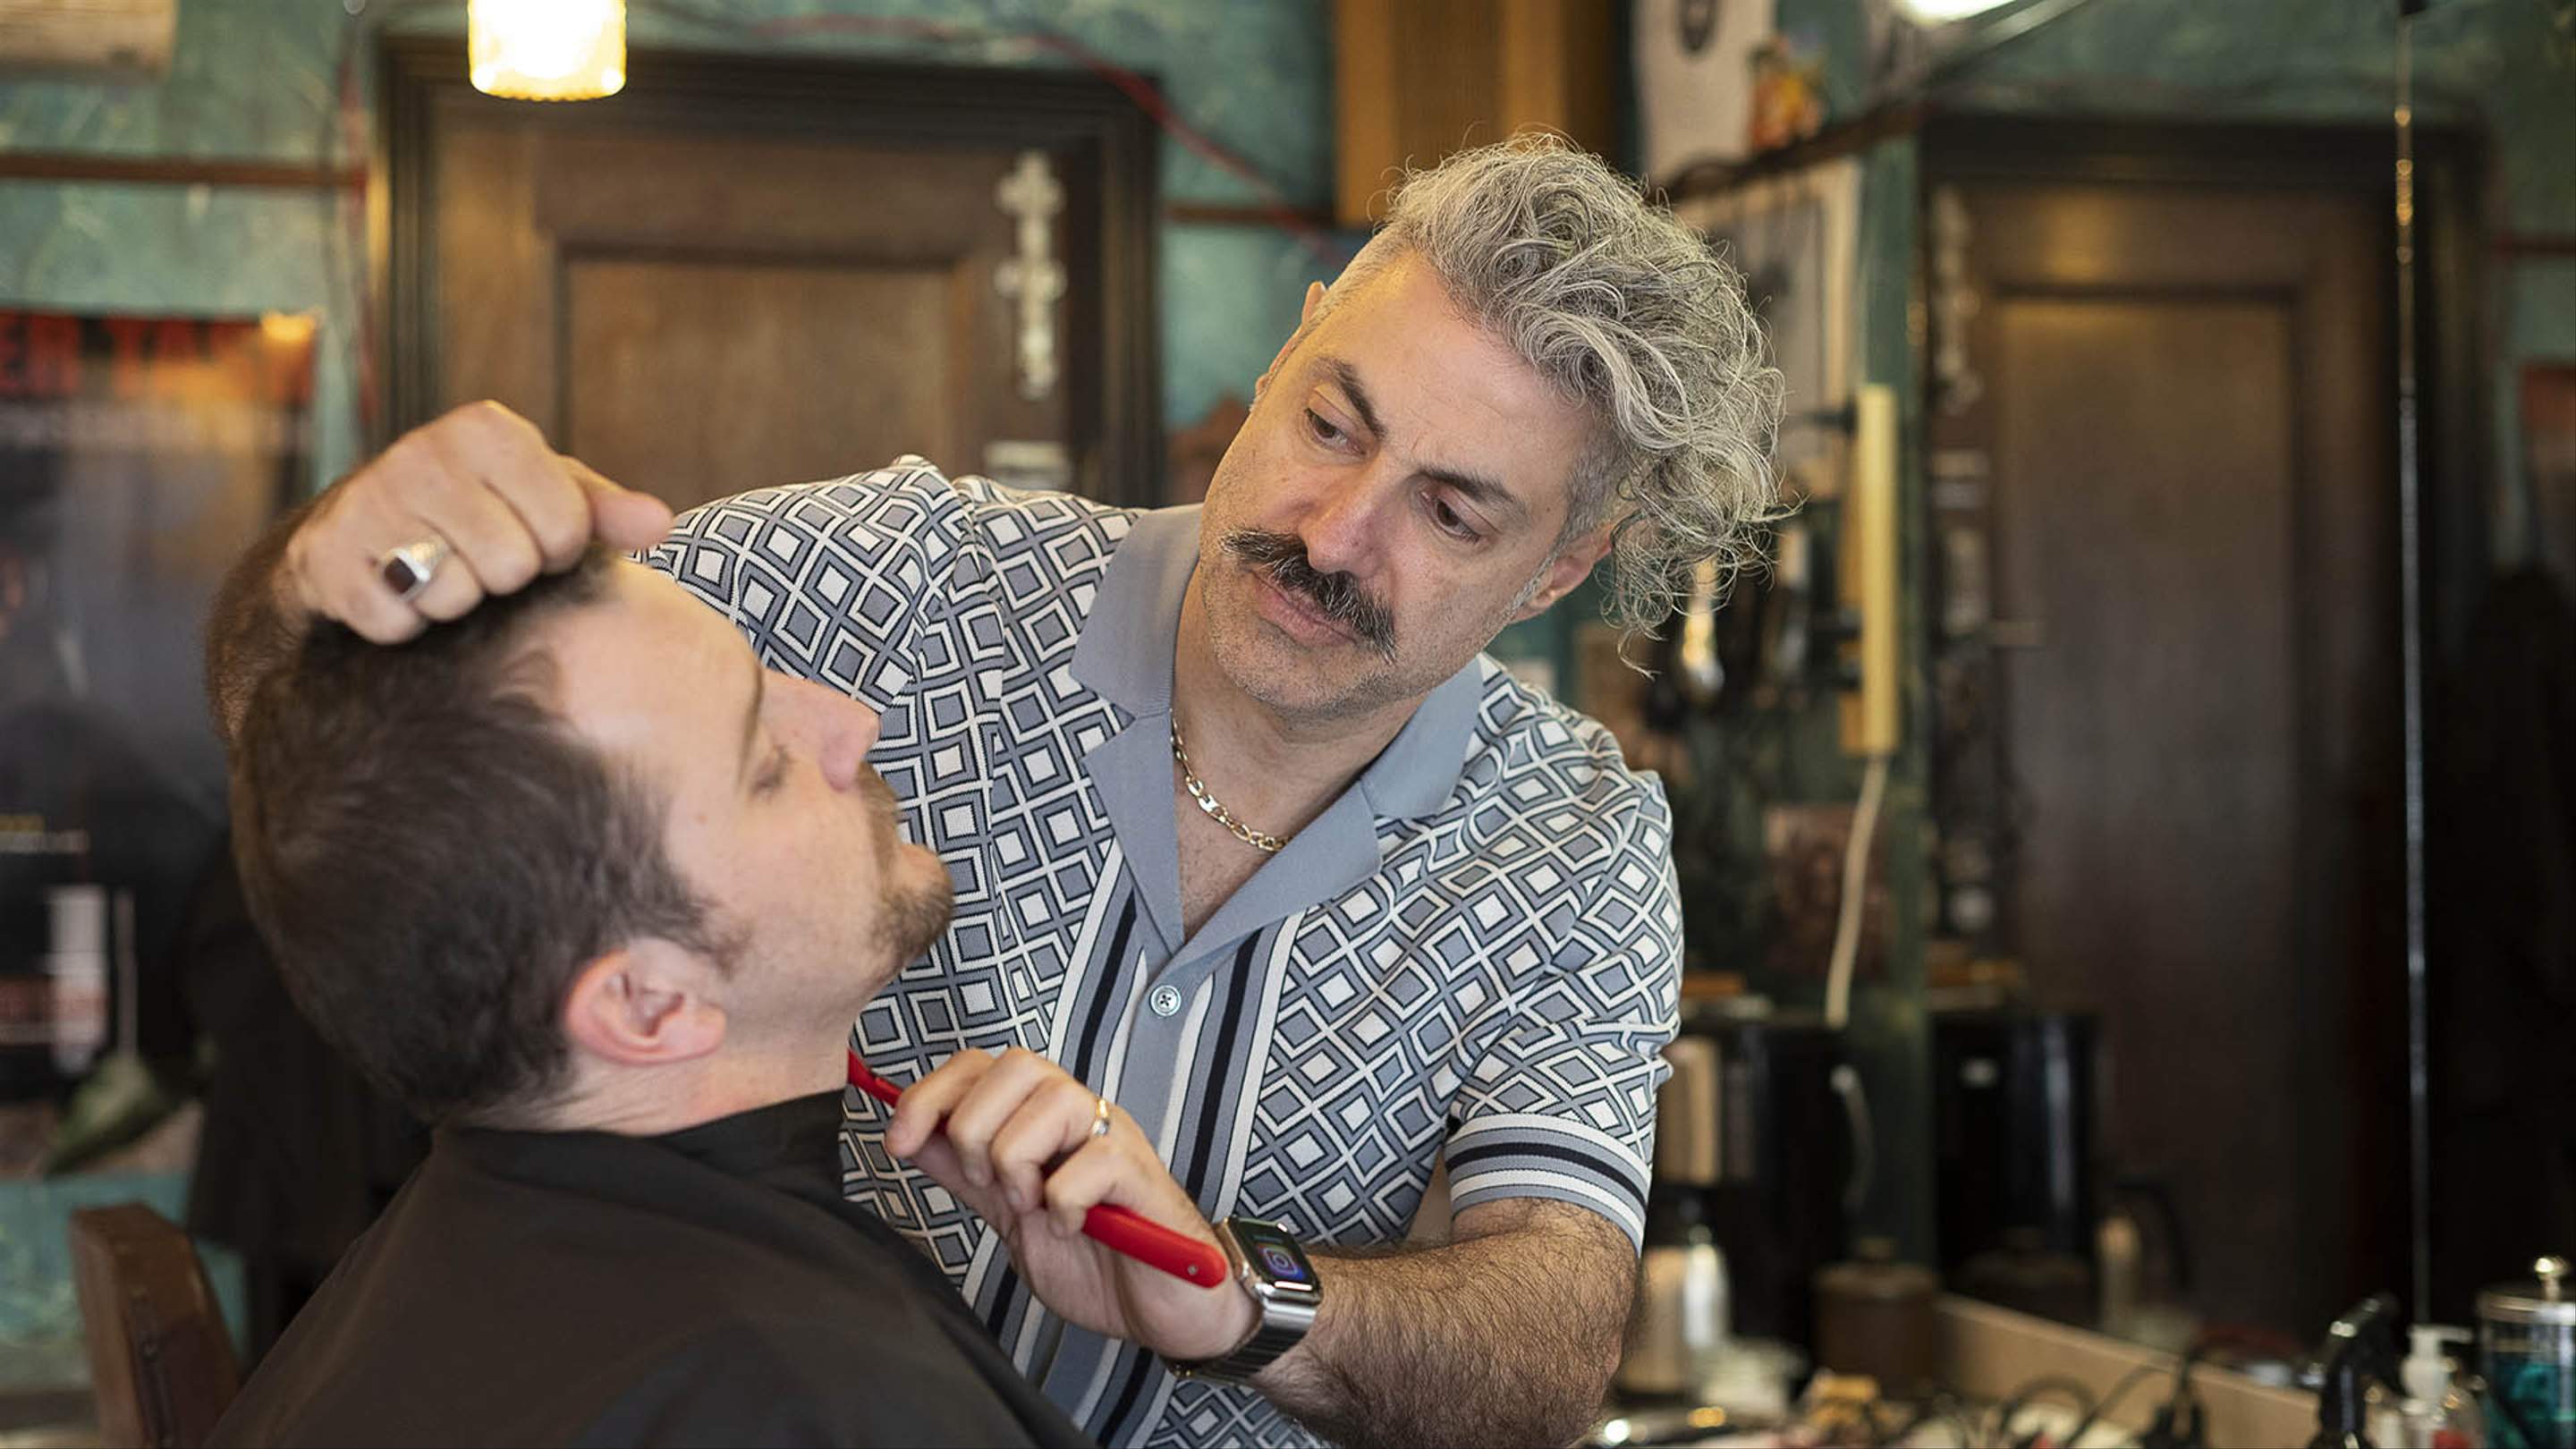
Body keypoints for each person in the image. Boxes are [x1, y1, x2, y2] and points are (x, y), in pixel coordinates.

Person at [208, 133, 1784, 1447]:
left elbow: (1550, 1354)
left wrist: (1232, 1296)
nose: (1332, 530)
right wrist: (320, 571)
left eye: (1449, 510)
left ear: (1558, 571)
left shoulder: (1568, 843)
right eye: (1329, 422)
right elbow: (362, 743)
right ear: (1291, 340)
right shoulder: (881, 589)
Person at [211, 548, 1263, 1446]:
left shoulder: (409, 1295)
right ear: (647, 1005)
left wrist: (1232, 1312)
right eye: (765, 759)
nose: (851, 725)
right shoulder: (807, 1393)